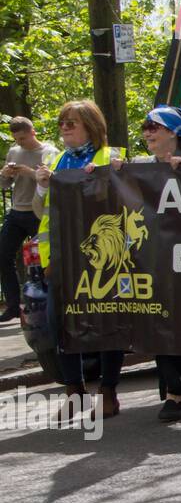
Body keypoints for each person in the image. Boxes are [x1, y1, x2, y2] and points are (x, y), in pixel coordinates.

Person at [33, 101, 123, 419]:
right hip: (60, 260)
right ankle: (75, 391)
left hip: (101, 261)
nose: (65, 127)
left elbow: (121, 203)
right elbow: (40, 213)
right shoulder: (55, 161)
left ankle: (108, 391)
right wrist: (43, 187)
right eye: (62, 122)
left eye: (72, 122)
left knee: (107, 322)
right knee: (61, 325)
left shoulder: (110, 156)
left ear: (91, 124)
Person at [119, 106, 181, 421]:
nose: (148, 133)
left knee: (179, 323)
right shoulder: (141, 167)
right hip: (154, 260)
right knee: (158, 321)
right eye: (145, 127)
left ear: (173, 132)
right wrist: (108, 172)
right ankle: (177, 390)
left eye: (154, 127)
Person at [0, 117, 52, 322]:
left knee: (41, 261)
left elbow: (49, 180)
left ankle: (42, 305)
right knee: (3, 255)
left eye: (22, 138)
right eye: (16, 139)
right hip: (16, 211)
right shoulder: (14, 152)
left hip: (37, 213)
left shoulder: (48, 152)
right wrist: (4, 174)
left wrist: (30, 172)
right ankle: (13, 306)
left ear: (33, 132)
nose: (19, 142)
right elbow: (4, 185)